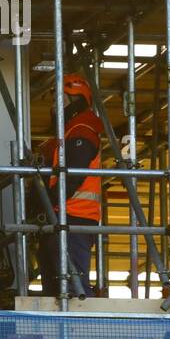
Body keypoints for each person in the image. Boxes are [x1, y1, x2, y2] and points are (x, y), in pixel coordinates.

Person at [34, 73, 103, 297]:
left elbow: (71, 176)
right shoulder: (69, 133)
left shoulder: (82, 129)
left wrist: (48, 201)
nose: (55, 107)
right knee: (58, 289)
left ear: (75, 101)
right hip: (63, 216)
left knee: (74, 287)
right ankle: (64, 331)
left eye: (60, 100)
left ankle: (85, 331)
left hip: (74, 218)